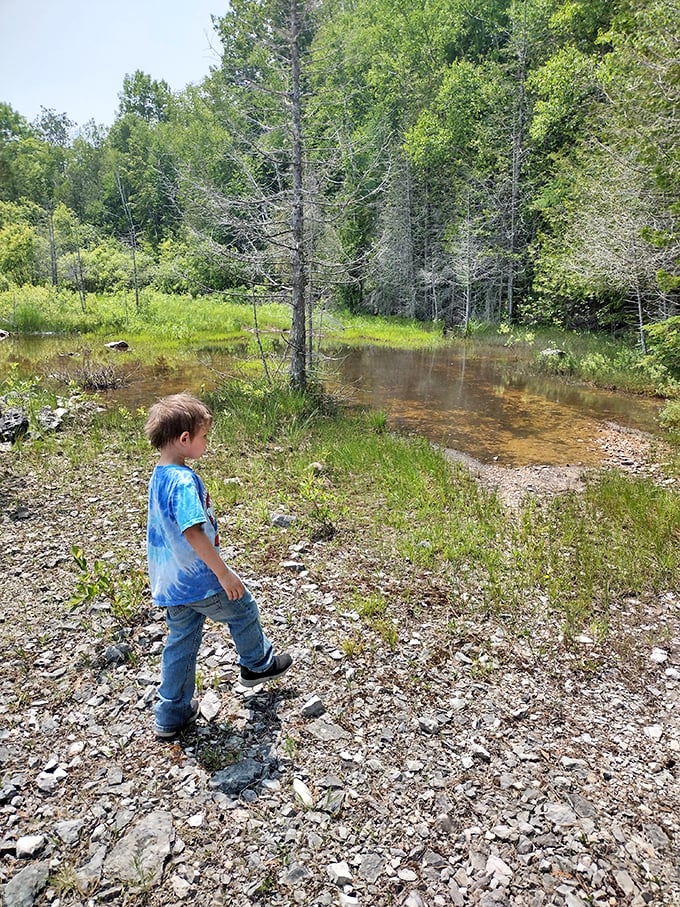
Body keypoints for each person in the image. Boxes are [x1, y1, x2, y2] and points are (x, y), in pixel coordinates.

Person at [144, 392, 292, 738]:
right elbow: (192, 531)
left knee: (181, 640)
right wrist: (223, 572)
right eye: (204, 436)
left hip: (171, 584)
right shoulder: (181, 481)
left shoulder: (161, 474)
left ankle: (171, 712)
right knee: (242, 607)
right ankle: (257, 665)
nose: (207, 442)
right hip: (199, 580)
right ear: (184, 439)